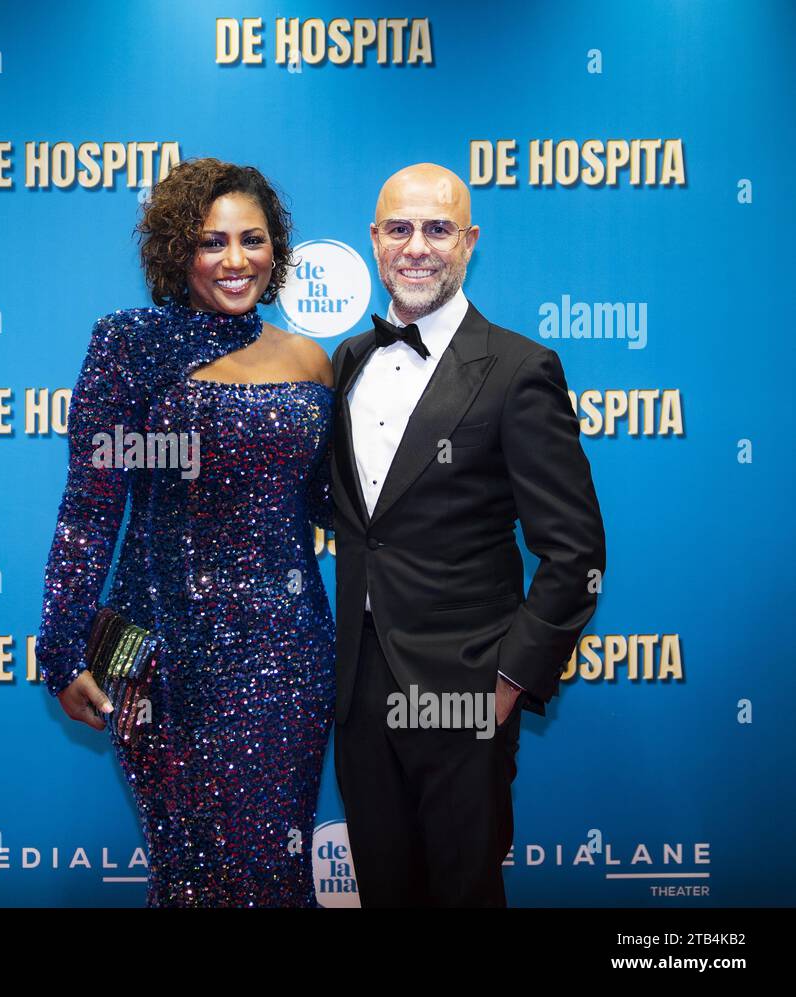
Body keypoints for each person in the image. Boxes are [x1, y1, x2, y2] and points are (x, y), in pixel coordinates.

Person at [36, 158, 336, 906]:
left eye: (253, 240)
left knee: (274, 870)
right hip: (162, 651)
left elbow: (338, 504)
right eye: (212, 242)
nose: (236, 260)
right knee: (194, 872)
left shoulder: (311, 358)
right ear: (177, 250)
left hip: (290, 654)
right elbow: (90, 506)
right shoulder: (130, 344)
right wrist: (63, 644)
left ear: (277, 250)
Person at [330, 162, 606, 906]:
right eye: (399, 228)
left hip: (465, 689)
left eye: (438, 228)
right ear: (374, 240)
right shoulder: (347, 362)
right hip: (357, 690)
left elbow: (575, 549)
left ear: (469, 241)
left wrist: (508, 682)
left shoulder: (519, 369)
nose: (417, 246)